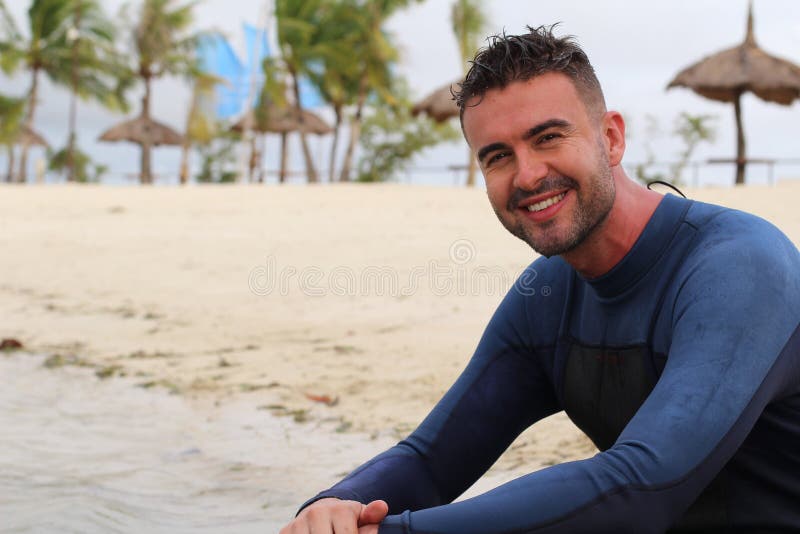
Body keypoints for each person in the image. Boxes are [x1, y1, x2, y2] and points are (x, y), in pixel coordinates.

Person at [281, 25, 800, 533]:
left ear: (612, 137)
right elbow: (431, 460)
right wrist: (333, 508)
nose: (527, 175)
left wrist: (399, 531)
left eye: (547, 137)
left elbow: (643, 487)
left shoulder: (739, 268)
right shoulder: (547, 295)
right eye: (498, 156)